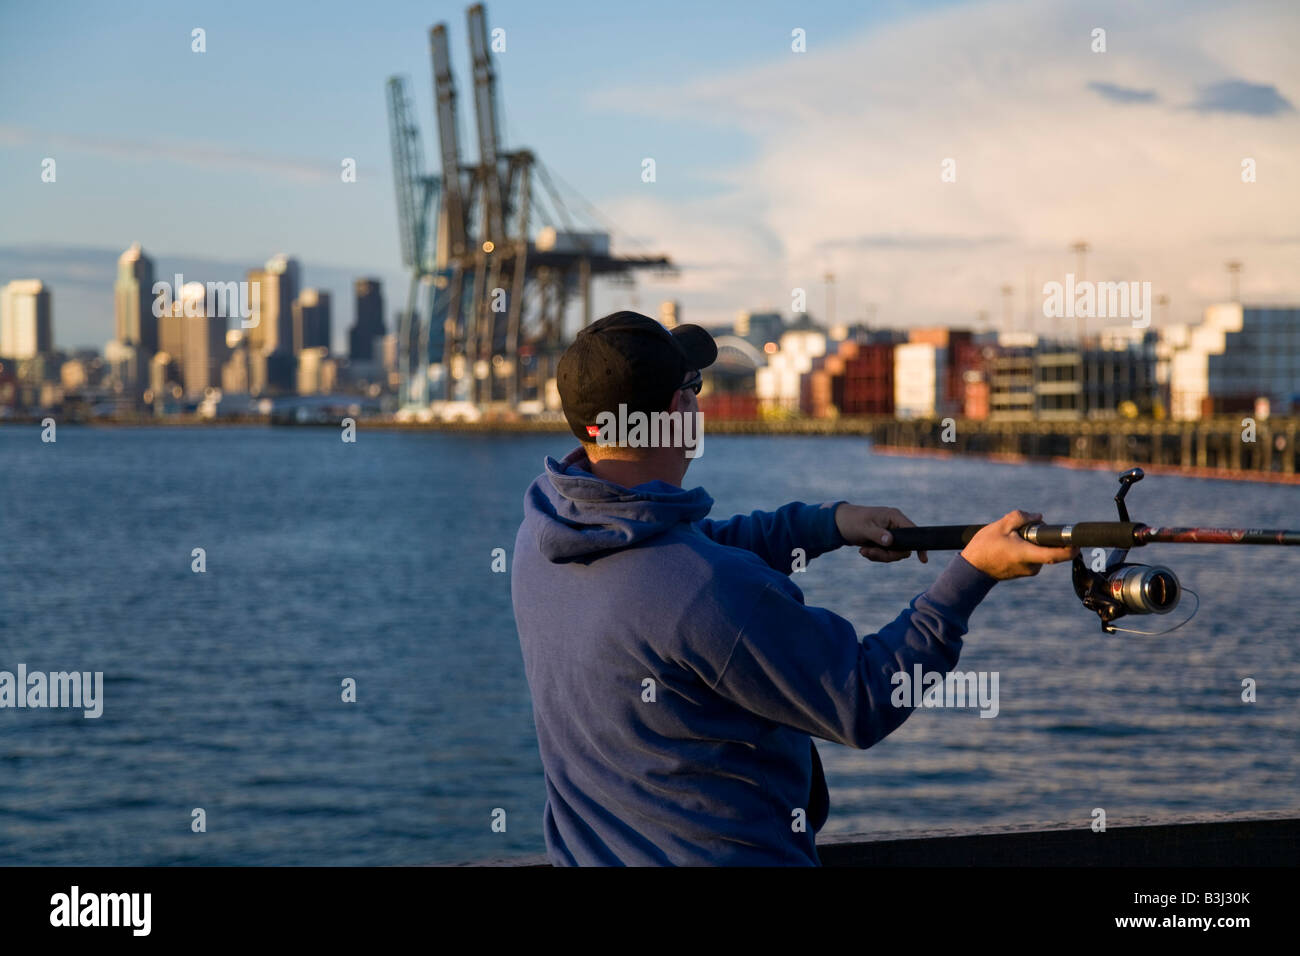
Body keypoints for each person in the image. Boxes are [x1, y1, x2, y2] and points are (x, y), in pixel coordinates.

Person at [511, 311, 1074, 865]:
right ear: (680, 410)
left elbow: (699, 551)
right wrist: (974, 573)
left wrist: (829, 523)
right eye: (694, 388)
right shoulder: (705, 590)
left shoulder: (546, 535)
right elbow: (863, 698)